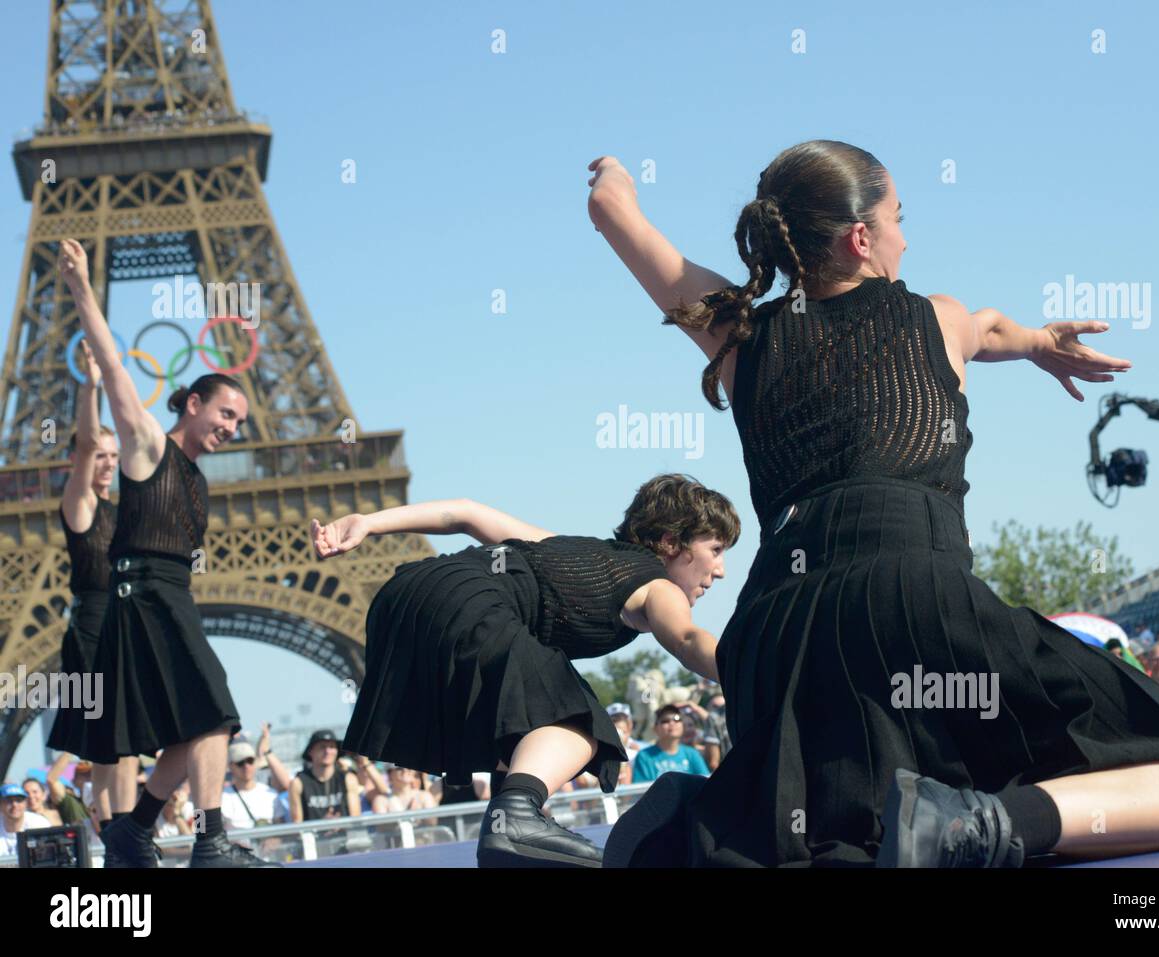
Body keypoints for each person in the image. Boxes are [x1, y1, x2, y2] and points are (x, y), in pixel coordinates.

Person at [589, 142, 1159, 867]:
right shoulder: (936, 319)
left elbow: (615, 216)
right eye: (899, 218)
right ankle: (981, 824)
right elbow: (990, 324)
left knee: (849, 831)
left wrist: (615, 181)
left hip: (769, 635)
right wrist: (1040, 343)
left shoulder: (738, 333)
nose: (907, 236)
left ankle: (698, 828)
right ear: (861, 238)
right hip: (910, 595)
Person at [314, 473, 736, 867]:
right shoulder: (656, 584)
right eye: (715, 550)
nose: (720, 570)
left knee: (519, 732)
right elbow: (686, 639)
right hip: (471, 602)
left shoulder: (563, 546)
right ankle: (517, 816)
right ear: (669, 543)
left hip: (409, 599)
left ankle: (509, 829)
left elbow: (464, 512)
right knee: (580, 722)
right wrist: (752, 669)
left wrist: (367, 522)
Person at [57, 237, 275, 868]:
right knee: (217, 707)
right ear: (192, 402)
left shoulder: (199, 481)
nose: (231, 428)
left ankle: (133, 829)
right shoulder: (149, 447)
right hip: (141, 591)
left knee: (197, 725)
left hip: (169, 593)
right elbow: (117, 369)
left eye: (240, 422)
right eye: (224, 413)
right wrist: (78, 289)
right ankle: (209, 843)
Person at [43, 343, 140, 830]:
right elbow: (82, 443)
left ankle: (117, 829)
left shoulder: (124, 511)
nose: (106, 462)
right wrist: (92, 383)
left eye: (112, 456)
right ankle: (121, 829)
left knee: (117, 746)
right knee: (114, 742)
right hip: (93, 625)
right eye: (100, 455)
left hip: (122, 620)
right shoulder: (81, 507)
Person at [632, 706, 711, 782]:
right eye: (665, 721)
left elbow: (705, 782)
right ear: (655, 729)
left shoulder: (692, 754)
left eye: (677, 719)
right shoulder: (644, 756)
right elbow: (641, 791)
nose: (672, 723)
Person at [1, 783, 53, 857]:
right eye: (9, 801)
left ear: (26, 803)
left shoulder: (40, 824)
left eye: (19, 800)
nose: (14, 805)